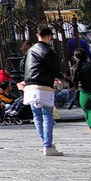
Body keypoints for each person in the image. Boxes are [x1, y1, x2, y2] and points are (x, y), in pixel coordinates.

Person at [24, 24, 68, 156]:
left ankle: (46, 143)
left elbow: (23, 65)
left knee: (37, 116)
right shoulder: (48, 51)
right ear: (49, 37)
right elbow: (54, 68)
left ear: (38, 36)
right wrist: (60, 77)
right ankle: (48, 146)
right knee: (47, 116)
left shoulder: (30, 50)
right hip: (43, 87)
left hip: (30, 86)